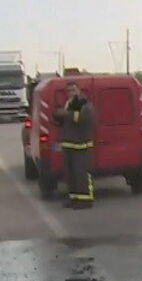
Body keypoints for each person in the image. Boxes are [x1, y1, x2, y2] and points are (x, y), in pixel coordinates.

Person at [52, 81, 95, 209]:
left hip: (81, 146)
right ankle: (74, 198)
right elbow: (63, 122)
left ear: (79, 91)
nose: (70, 92)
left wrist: (67, 114)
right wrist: (57, 115)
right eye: (68, 90)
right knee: (70, 175)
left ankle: (86, 200)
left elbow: (85, 118)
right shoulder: (68, 104)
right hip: (68, 145)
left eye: (73, 90)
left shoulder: (84, 104)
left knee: (81, 174)